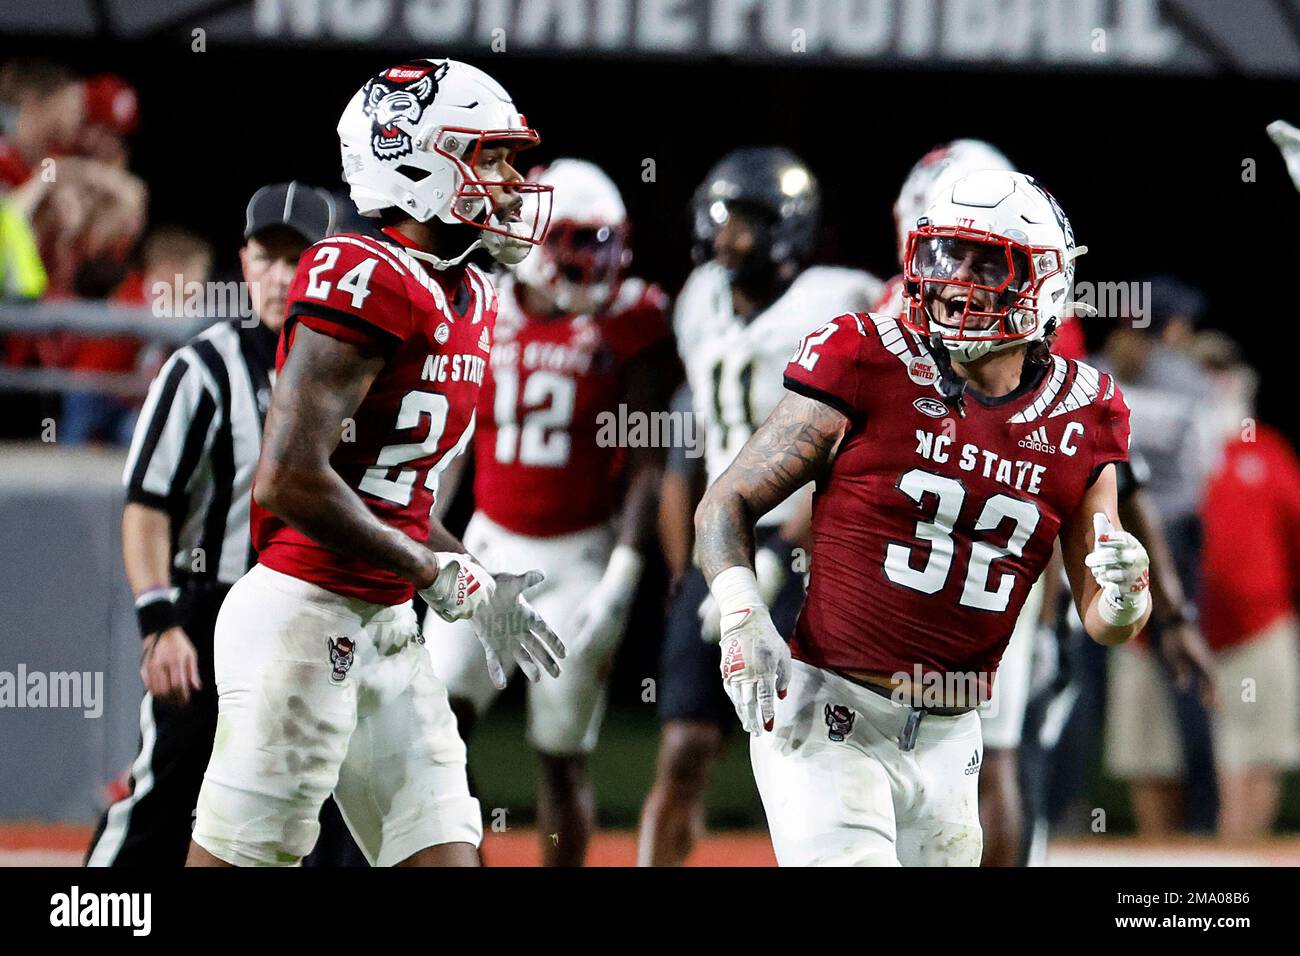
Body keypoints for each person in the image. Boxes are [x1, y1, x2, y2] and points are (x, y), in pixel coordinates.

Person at [694, 170, 1152, 866]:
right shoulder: (866, 355)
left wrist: (1127, 592)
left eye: (987, 261)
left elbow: (1105, 619)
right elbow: (727, 499)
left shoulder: (1088, 411)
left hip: (953, 739)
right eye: (944, 254)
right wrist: (741, 611)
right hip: (829, 717)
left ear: (1048, 281)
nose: (956, 279)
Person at [186, 58, 564, 868]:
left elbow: (387, 491)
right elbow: (286, 478)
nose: (508, 182)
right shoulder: (362, 271)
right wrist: (432, 573)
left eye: (509, 160)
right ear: (415, 156)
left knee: (444, 852)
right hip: (300, 615)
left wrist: (469, 573)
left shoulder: (471, 292)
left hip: (388, 629)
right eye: (490, 157)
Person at [85, 181, 365, 865]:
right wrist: (159, 622)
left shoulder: (359, 371)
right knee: (163, 797)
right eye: (266, 258)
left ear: (328, 267)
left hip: (319, 615)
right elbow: (148, 502)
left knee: (339, 812)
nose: (280, 276)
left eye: (298, 259)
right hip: (215, 610)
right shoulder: (202, 368)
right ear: (243, 263)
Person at [426, 159, 675, 866]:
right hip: (487, 544)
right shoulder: (482, 302)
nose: (594, 260)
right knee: (438, 725)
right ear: (535, 238)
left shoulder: (631, 322)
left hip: (579, 559)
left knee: (560, 752)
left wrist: (624, 571)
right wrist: (431, 539)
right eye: (575, 241)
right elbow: (453, 444)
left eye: (603, 241)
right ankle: (461, 858)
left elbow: (648, 453)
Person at [637, 147, 882, 866]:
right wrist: (691, 569)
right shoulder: (698, 299)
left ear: (788, 229)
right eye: (721, 218)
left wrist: (783, 557)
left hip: (811, 548)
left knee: (804, 745)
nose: (726, 237)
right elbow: (692, 443)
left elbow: (858, 448)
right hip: (725, 541)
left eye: (746, 221)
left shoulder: (842, 298)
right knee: (684, 745)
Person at [1189, 332, 1300, 841]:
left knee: (1253, 755)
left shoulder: (1267, 452)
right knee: (1154, 761)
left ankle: (1235, 866)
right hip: (1167, 637)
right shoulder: (1159, 452)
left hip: (1255, 629)